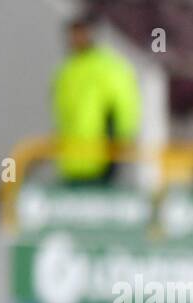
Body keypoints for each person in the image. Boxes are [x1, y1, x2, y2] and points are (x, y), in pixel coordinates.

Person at [53, 15, 141, 185]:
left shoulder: (107, 67)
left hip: (101, 159)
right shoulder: (66, 71)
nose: (75, 39)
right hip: (70, 161)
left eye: (80, 33)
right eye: (73, 34)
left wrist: (120, 143)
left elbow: (124, 107)